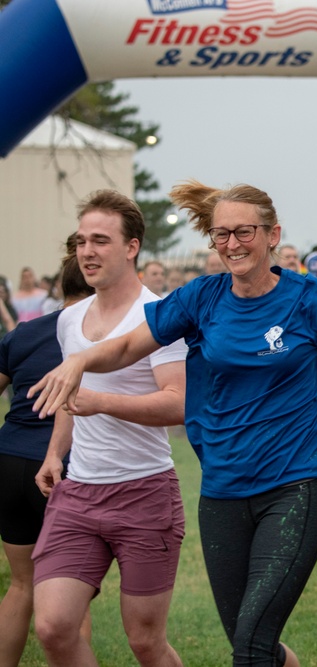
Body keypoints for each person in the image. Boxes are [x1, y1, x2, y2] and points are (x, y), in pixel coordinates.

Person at [30, 180, 317, 667]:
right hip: (222, 490)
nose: (232, 245)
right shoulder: (201, 298)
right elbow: (130, 346)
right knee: (248, 636)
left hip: (296, 483)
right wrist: (80, 362)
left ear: (272, 234)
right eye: (221, 235)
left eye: (244, 232)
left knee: (252, 645)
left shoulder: (311, 300)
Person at [29, 190, 189, 667]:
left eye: (100, 240)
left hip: (144, 492)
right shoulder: (70, 320)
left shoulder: (158, 316)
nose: (87, 252)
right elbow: (68, 396)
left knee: (145, 642)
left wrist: (101, 402)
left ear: (132, 246)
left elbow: (178, 404)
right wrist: (56, 453)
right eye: (81, 241)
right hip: (78, 493)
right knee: (54, 627)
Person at [0, 241, 94, 667]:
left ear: (60, 285)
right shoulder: (96, 334)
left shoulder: (23, 333)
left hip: (9, 461)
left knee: (22, 584)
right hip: (61, 468)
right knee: (74, 593)